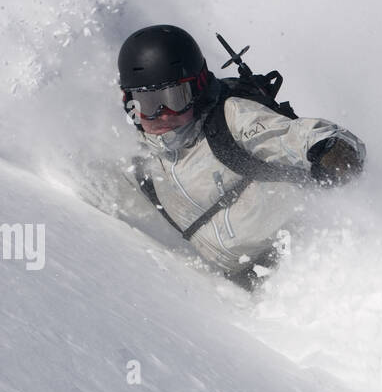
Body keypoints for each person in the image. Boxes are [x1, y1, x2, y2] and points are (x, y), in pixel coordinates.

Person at [118, 24, 365, 286]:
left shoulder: (232, 120)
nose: (163, 114)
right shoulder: (140, 155)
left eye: (174, 98)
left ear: (197, 89)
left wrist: (331, 150)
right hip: (235, 284)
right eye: (146, 104)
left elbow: (292, 135)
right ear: (128, 103)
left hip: (297, 261)